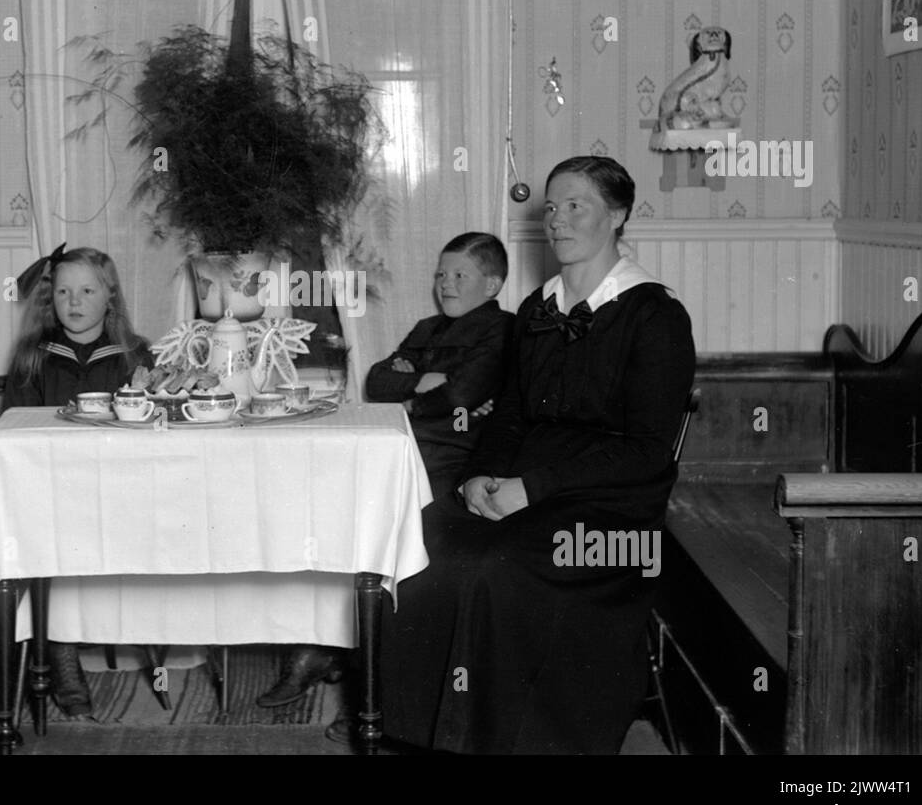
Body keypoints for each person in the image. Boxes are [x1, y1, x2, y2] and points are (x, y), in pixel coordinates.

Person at [378, 156, 695, 753]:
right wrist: (476, 477)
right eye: (552, 207)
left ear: (619, 214)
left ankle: (508, 739)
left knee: (496, 570)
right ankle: (424, 729)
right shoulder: (536, 311)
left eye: (576, 205)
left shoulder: (655, 314)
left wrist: (533, 488)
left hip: (612, 509)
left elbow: (648, 452)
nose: (558, 219)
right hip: (528, 485)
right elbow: (512, 418)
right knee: (418, 540)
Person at [257, 232, 514, 713]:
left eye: (460, 275)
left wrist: (416, 389)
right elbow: (377, 381)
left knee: (375, 527)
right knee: (326, 506)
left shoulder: (502, 331)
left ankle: (365, 677)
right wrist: (421, 383)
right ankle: (326, 648)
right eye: (441, 274)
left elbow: (461, 397)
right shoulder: (426, 328)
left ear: (493, 284)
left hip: (456, 462)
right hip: (405, 448)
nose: (446, 284)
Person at [2, 245, 155, 716]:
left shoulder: (135, 354)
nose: (75, 301)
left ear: (109, 296)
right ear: (51, 299)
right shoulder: (34, 356)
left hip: (121, 489)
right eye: (64, 291)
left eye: (87, 290)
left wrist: (150, 392)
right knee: (56, 536)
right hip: (53, 490)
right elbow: (15, 434)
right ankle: (60, 655)